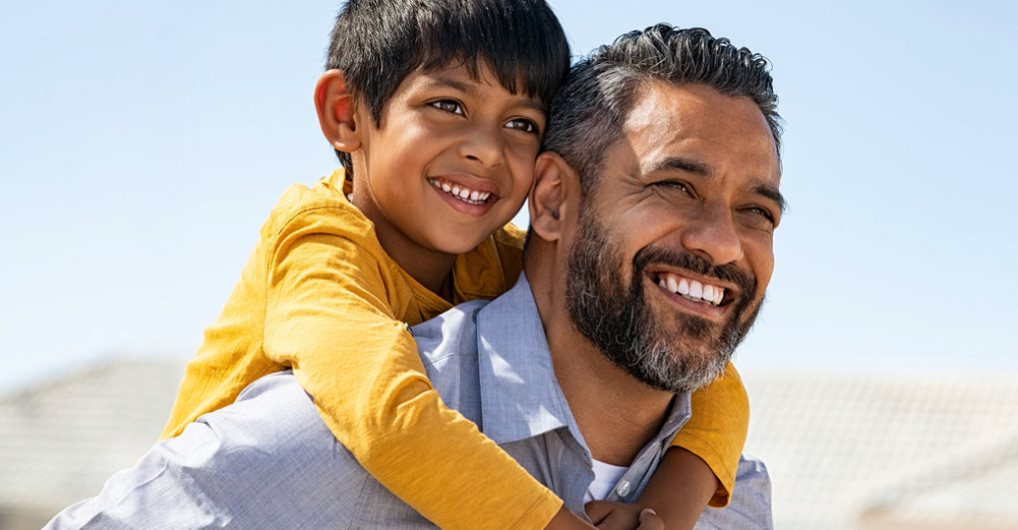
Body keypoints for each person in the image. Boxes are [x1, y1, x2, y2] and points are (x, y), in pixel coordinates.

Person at [45, 24, 783, 530]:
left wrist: (677, 503)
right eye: (675, 187)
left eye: (758, 211)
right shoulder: (320, 385)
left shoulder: (735, 498)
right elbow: (382, 414)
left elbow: (713, 379)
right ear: (555, 200)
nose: (722, 244)